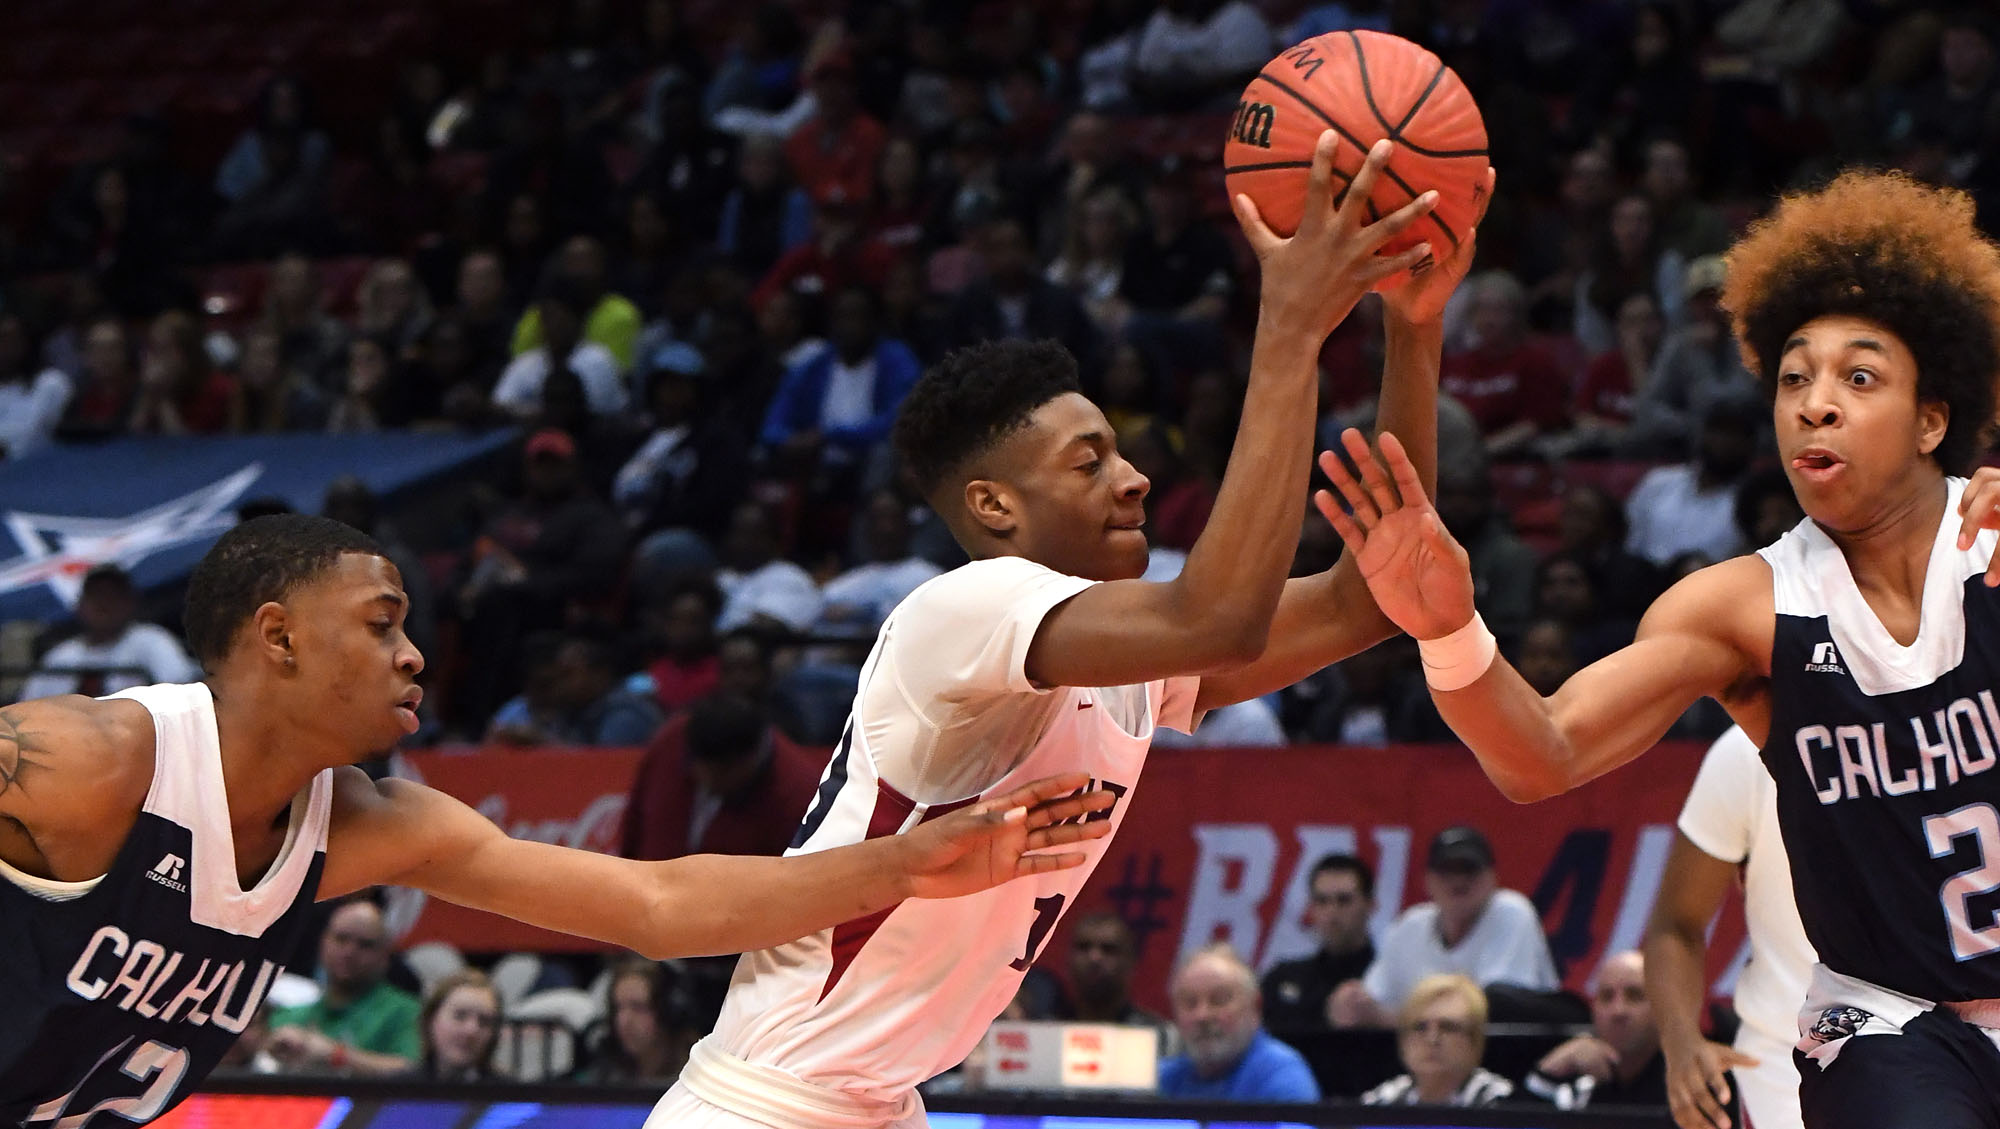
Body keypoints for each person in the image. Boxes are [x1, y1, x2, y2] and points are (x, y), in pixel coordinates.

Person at [648, 137, 1491, 1128]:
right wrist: (1289, 326)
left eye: (1120, 453)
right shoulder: (960, 613)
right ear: (993, 507)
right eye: (1087, 462)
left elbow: (1368, 597)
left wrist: (1413, 326)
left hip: (875, 1101)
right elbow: (1216, 614)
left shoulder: (1118, 654)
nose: (1131, 478)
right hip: (767, 1102)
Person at [0, 513, 1118, 1125]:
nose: (414, 654)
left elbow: (658, 902)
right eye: (383, 625)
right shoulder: (83, 764)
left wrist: (908, 862)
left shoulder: (373, 826)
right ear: (278, 637)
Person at [1319, 170, 2000, 1129]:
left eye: (1859, 377)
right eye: (1794, 377)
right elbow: (1539, 754)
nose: (1813, 403)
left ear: (1934, 420)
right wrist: (1447, 629)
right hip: (1889, 1023)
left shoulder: (1994, 542)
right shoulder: (1741, 608)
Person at [1647, 726, 1813, 1129]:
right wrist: (1681, 1041)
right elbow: (1675, 924)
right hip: (1789, 1062)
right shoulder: (1744, 751)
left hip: (1956, 1044)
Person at [1330, 826, 1558, 1027]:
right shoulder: (1411, 925)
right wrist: (1351, 1003)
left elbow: (1489, 1011)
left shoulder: (1511, 911)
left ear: (1492, 877)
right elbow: (1374, 999)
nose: (1458, 880)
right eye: (1447, 870)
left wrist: (1385, 1018)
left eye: (1469, 869)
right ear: (1427, 880)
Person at [267, 896, 421, 1074]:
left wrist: (335, 1055)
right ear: (323, 942)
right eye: (341, 939)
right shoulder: (292, 1013)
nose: (349, 952)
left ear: (385, 955)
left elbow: (410, 1071)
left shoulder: (405, 1012)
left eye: (365, 945)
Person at [1159, 943, 1320, 1103]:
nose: (1202, 1015)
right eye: (1190, 1003)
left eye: (1219, 1000)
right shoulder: (1162, 1079)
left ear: (1255, 1006)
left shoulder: (1283, 1076)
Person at [19, 566, 201, 701]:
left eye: (112, 596)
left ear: (130, 602)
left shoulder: (152, 641)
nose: (104, 605)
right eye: (96, 597)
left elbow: (182, 693)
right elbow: (25, 712)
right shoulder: (59, 658)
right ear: (79, 606)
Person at [1523, 950, 1672, 1110]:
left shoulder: (1690, 1087)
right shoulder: (1578, 1084)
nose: (1618, 1011)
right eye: (1607, 997)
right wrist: (1548, 1073)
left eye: (1635, 996)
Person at [1261, 853, 1377, 1035]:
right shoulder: (1281, 980)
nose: (1332, 913)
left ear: (1370, 905)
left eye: (1344, 900)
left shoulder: (1388, 981)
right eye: (1322, 901)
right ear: (1311, 907)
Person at [1361, 973, 1516, 1107]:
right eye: (1420, 1027)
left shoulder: (1502, 1104)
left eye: (1447, 1027)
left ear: (1475, 1042)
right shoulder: (1381, 1103)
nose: (1432, 1038)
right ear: (1403, 1041)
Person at [1057, 911, 1170, 1036]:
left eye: (1109, 949)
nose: (1094, 958)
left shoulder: (1158, 1036)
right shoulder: (1044, 1029)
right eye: (1083, 947)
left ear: (1131, 960)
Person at [410, 968, 504, 1082]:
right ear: (430, 1020)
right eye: (460, 1016)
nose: (471, 1030)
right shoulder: (394, 1093)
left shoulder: (513, 1096)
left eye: (484, 1021)